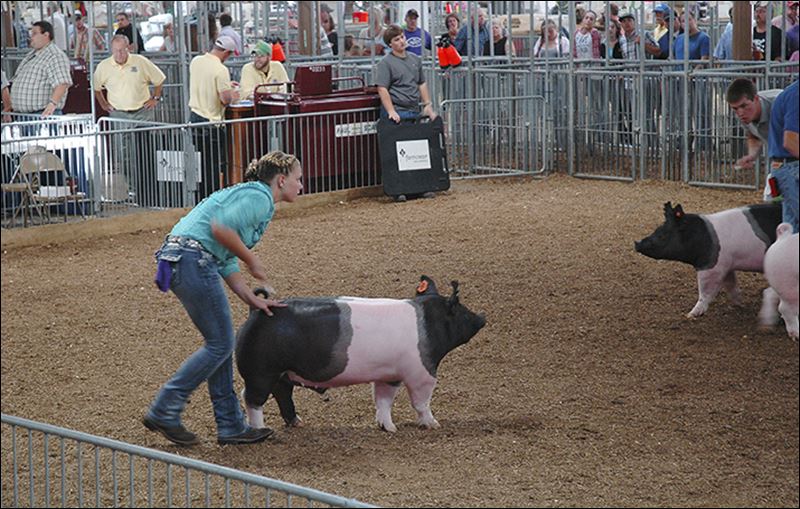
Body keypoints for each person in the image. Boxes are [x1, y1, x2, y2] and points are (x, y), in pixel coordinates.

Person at [144, 150, 303, 446]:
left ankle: (230, 425)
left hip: (179, 258)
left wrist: (249, 298)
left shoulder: (247, 194)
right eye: (298, 179)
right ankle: (166, 408)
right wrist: (252, 260)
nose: (301, 186)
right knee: (220, 343)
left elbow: (224, 257)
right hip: (194, 258)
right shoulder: (260, 198)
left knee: (220, 343)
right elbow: (221, 231)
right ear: (281, 180)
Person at [376, 25, 438, 202]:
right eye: (396, 39)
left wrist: (427, 105)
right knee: (396, 153)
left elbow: (421, 83)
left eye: (402, 37)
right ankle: (399, 189)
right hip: (397, 110)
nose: (401, 41)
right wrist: (391, 111)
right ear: (390, 44)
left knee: (416, 150)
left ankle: (419, 186)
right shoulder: (385, 63)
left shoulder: (415, 59)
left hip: (413, 109)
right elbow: (382, 88)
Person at [188, 35, 240, 199]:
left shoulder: (196, 61)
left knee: (200, 165)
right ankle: (212, 200)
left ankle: (201, 199)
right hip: (212, 123)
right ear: (226, 52)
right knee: (213, 165)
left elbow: (205, 83)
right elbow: (225, 99)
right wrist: (233, 93)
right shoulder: (221, 70)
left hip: (194, 117)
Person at [9, 21, 72, 118]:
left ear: (46, 35)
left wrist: (52, 104)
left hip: (42, 115)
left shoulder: (55, 56)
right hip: (25, 115)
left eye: (34, 33)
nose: (31, 37)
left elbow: (62, 83)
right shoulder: (32, 54)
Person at [726, 78, 783, 170]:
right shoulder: (743, 115)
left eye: (744, 106)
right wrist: (751, 156)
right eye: (735, 108)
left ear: (756, 99)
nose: (740, 113)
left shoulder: (780, 104)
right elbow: (753, 135)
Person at [767, 79, 799, 232]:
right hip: (792, 167)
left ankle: (788, 255)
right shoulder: (796, 95)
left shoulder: (792, 92)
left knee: (790, 227)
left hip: (785, 167)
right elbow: (791, 142)